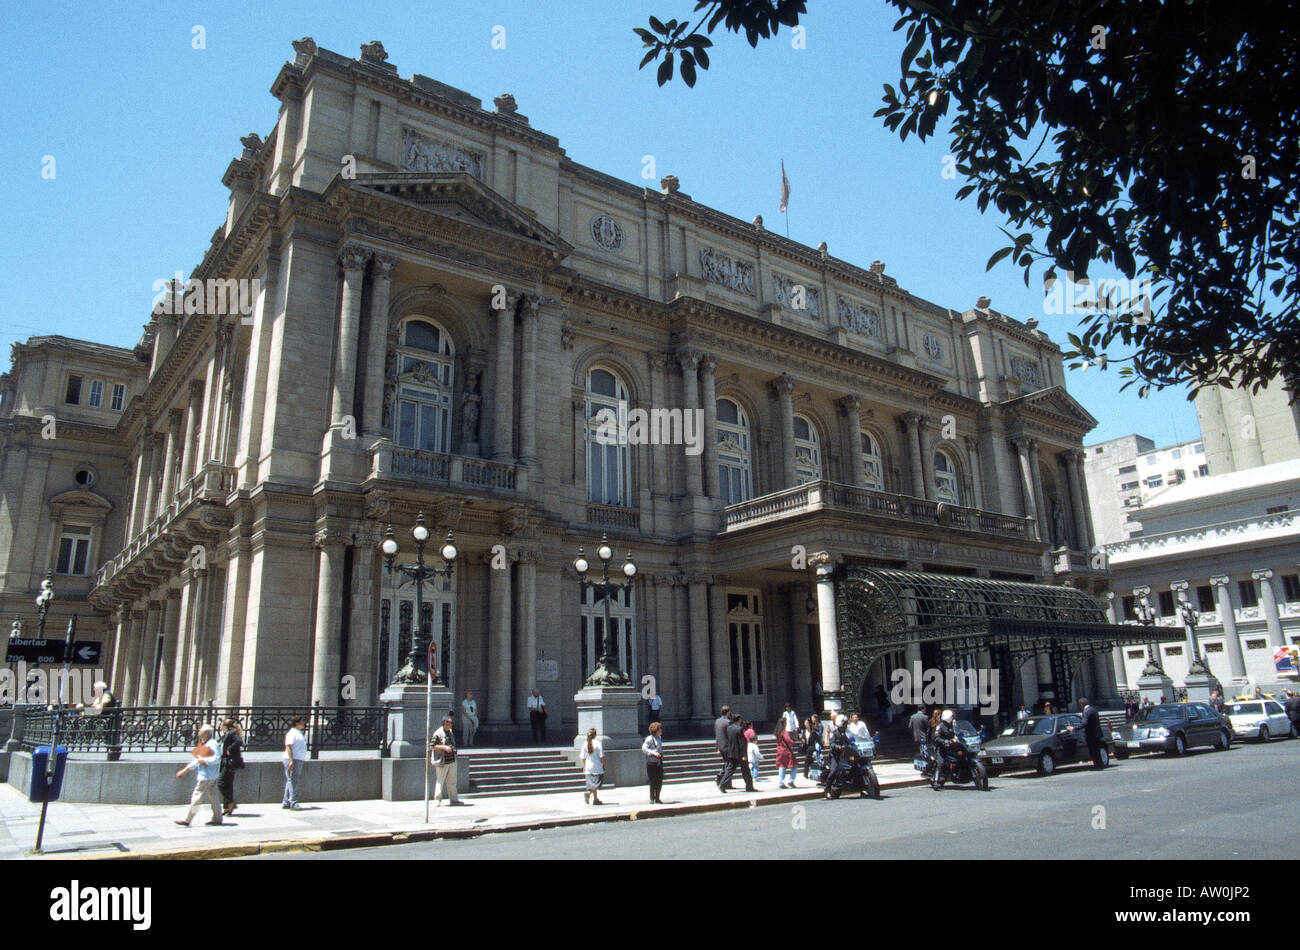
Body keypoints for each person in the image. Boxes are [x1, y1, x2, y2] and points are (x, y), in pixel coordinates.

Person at [174, 724, 223, 827]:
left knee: (197, 797)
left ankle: (187, 819)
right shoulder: (206, 743)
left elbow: (217, 759)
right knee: (213, 797)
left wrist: (203, 760)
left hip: (207, 776)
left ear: (206, 733)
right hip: (210, 776)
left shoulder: (212, 744)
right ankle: (218, 818)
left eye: (200, 731)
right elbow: (196, 761)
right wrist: (185, 770)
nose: (198, 733)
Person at [430, 713, 461, 805]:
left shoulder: (450, 732)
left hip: (452, 760)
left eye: (451, 723)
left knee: (452, 781)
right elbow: (432, 746)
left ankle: (454, 799)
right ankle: (437, 799)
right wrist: (444, 747)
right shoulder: (438, 733)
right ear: (445, 723)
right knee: (440, 780)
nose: (451, 724)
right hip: (442, 761)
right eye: (450, 723)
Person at [1068, 697, 1106, 768]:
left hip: (1091, 734)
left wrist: (1074, 728)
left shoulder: (1086, 711)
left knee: (1093, 750)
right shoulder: (1093, 710)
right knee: (1097, 750)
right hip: (1097, 733)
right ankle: (1100, 764)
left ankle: (1097, 765)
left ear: (1082, 705)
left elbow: (1084, 723)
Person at [217, 718, 244, 817]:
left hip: (229, 763)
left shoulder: (231, 734)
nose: (220, 727)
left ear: (225, 726)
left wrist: (229, 749)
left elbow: (239, 741)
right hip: (227, 763)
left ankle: (230, 803)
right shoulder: (228, 734)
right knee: (228, 785)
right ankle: (227, 807)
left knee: (221, 783)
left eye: (221, 725)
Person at [91, 681, 123, 761]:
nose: (94, 690)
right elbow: (94, 705)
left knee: (110, 736)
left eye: (95, 688)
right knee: (108, 736)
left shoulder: (106, 693)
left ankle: (114, 751)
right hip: (105, 719)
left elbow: (103, 703)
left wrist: (99, 706)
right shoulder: (101, 695)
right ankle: (112, 749)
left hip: (110, 719)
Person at [282, 715, 308, 810]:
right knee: (294, 781)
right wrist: (291, 760)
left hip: (297, 759)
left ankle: (286, 802)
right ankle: (294, 803)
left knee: (291, 780)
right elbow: (288, 746)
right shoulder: (292, 733)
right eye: (302, 721)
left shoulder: (298, 732)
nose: (304, 723)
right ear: (297, 723)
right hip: (293, 759)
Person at [930, 710, 957, 789]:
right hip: (941, 748)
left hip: (951, 746)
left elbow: (957, 732)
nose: (952, 718)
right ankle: (936, 781)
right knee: (941, 763)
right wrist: (944, 741)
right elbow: (936, 737)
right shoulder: (940, 726)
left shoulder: (952, 725)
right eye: (951, 717)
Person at [581, 727, 605, 805]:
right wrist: (604, 764)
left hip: (588, 766)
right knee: (597, 783)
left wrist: (584, 766)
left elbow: (583, 757)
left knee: (592, 783)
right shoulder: (598, 743)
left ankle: (595, 799)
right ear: (595, 735)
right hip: (597, 766)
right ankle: (588, 793)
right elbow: (601, 756)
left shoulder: (585, 743)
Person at [642, 722, 665, 803]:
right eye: (660, 729)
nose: (661, 730)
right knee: (653, 780)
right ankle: (652, 798)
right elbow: (644, 748)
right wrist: (653, 752)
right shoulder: (649, 739)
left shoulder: (659, 738)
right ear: (656, 730)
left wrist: (661, 753)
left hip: (659, 761)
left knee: (659, 779)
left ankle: (657, 797)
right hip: (652, 762)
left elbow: (660, 748)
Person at [714, 704, 733, 789]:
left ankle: (727, 783)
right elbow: (730, 735)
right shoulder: (728, 722)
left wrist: (717, 746)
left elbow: (717, 735)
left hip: (721, 746)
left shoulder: (717, 721)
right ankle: (721, 778)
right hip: (727, 746)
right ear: (728, 712)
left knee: (727, 763)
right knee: (729, 765)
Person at [775, 719, 798, 788]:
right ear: (784, 724)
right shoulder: (784, 732)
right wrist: (794, 742)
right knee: (795, 765)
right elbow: (788, 740)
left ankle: (781, 782)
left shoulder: (777, 732)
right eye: (786, 722)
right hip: (786, 750)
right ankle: (791, 780)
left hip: (779, 750)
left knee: (782, 766)